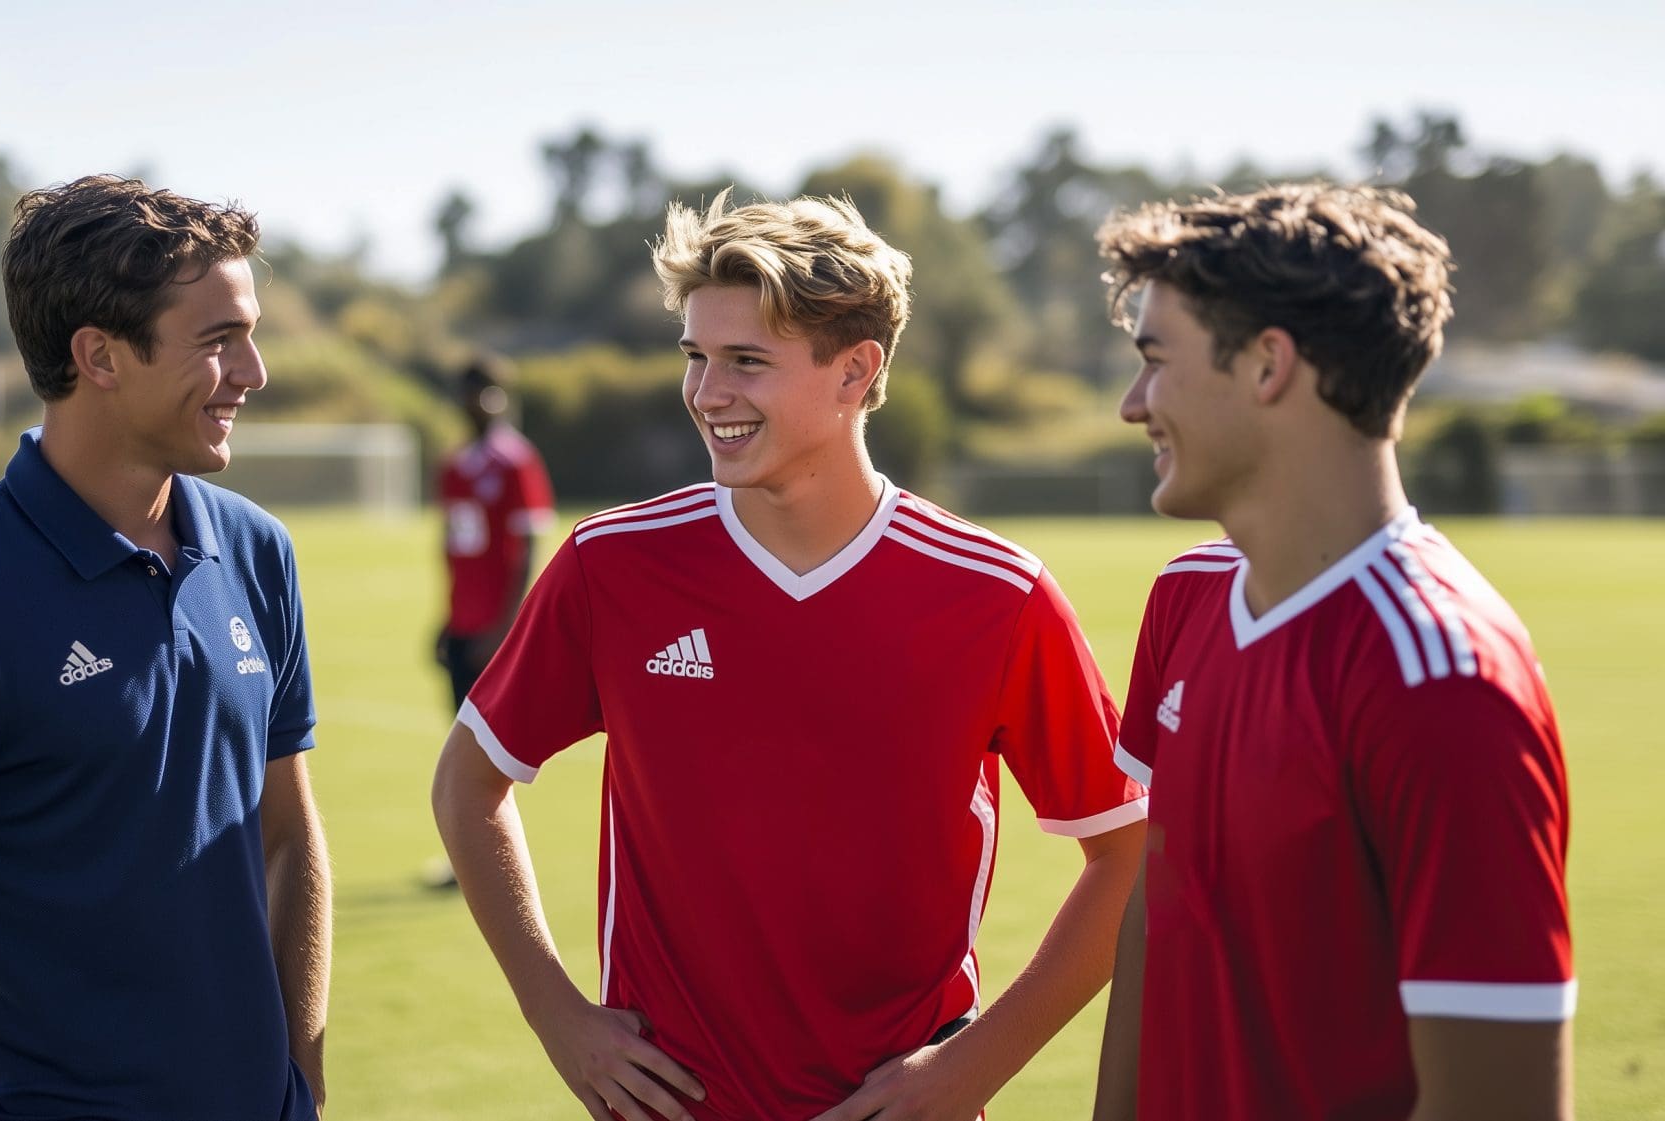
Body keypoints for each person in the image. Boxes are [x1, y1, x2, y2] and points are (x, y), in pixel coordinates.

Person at [433, 191, 1146, 1121]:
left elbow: (1130, 851)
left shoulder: (997, 592)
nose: (707, 391)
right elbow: (467, 784)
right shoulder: (612, 563)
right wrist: (557, 1014)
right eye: (696, 356)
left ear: (855, 373)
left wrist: (972, 1067)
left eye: (746, 362)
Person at [0, 176, 331, 1121]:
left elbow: (287, 839)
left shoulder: (259, 551)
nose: (254, 371)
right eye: (218, 340)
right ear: (98, 356)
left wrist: (304, 1078)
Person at [1090, 184, 1574, 1121]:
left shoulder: (1444, 680)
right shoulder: (1189, 598)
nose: (1130, 404)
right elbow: (1159, 911)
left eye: (1156, 362)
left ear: (1270, 364)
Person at [434, 355, 554, 710]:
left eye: (481, 393)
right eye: (466, 393)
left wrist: (506, 627)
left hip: (496, 630)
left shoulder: (516, 462)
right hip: (462, 626)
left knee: (501, 749)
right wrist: (448, 618)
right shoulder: (454, 465)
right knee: (460, 739)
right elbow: (455, 548)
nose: (472, 403)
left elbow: (529, 548)